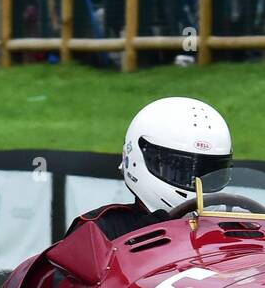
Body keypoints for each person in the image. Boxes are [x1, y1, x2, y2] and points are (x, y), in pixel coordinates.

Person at [67, 97, 233, 240]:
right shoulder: (100, 232)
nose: (197, 183)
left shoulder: (234, 230)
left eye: (210, 172)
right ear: (137, 157)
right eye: (178, 169)